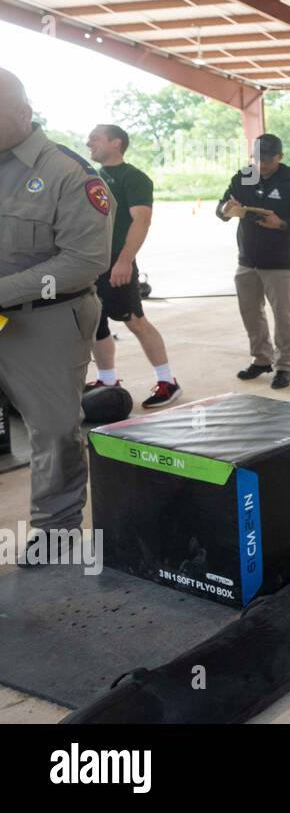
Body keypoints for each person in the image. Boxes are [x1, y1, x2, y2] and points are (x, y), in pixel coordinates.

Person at [0, 67, 114, 567]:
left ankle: (58, 533)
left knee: (52, 427)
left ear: (24, 113)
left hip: (45, 318)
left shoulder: (69, 172)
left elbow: (85, 261)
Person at [84, 124, 180, 408]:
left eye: (95, 138)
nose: (88, 142)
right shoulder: (91, 177)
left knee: (134, 320)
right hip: (90, 264)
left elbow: (142, 221)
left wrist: (125, 260)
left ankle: (168, 382)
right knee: (96, 323)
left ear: (116, 143)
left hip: (117, 262)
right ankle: (107, 381)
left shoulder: (134, 178)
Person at [215, 133, 290, 389]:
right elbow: (222, 207)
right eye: (258, 159)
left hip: (280, 261)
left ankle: (284, 366)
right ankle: (261, 358)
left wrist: (280, 223)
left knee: (282, 315)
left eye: (268, 159)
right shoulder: (244, 176)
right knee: (250, 312)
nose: (262, 164)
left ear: (280, 157)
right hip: (247, 258)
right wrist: (225, 210)